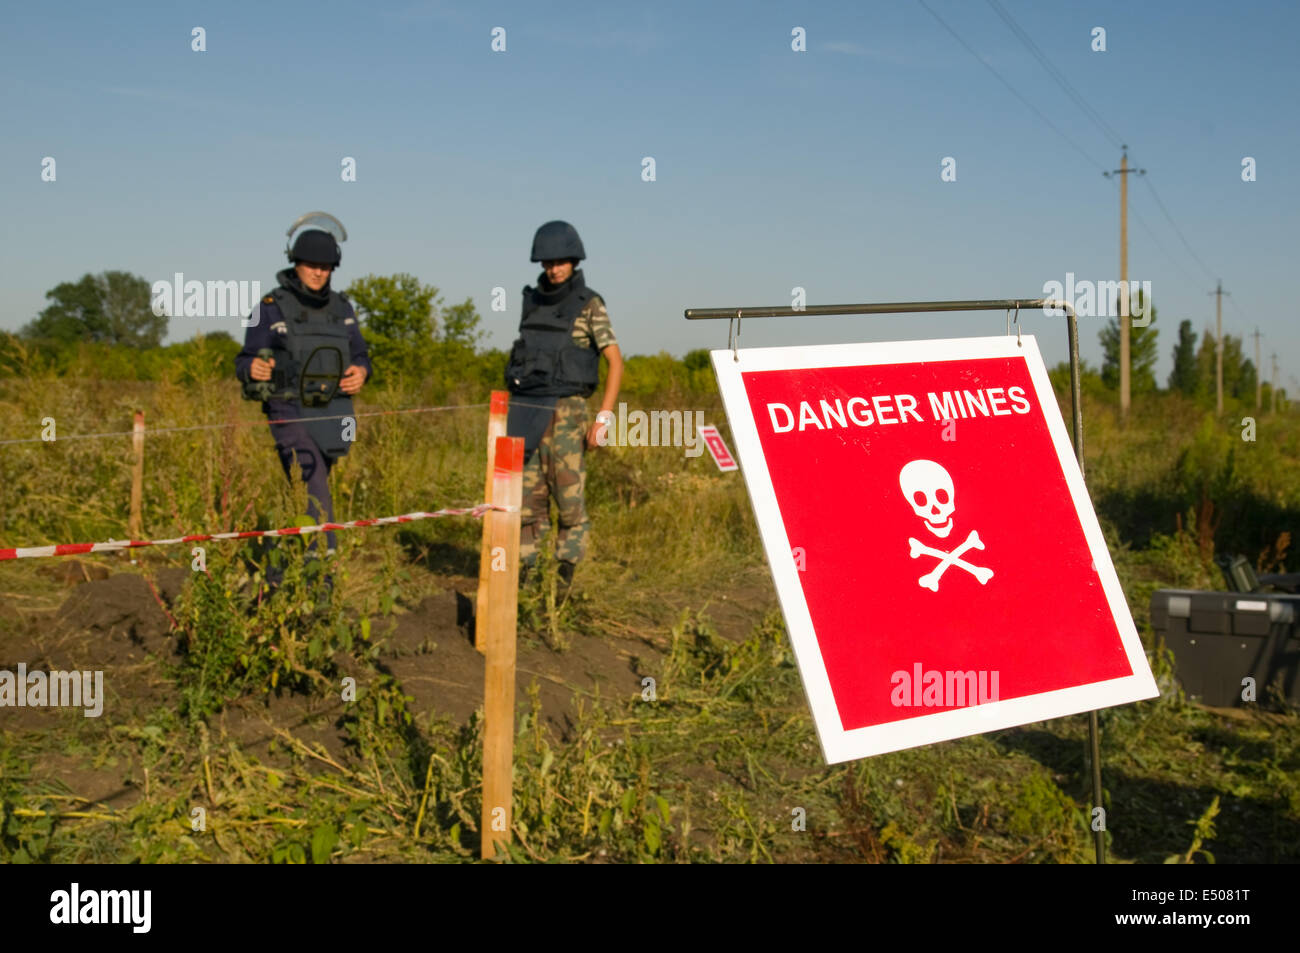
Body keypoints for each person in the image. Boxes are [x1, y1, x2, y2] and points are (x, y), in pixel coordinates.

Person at [235, 223, 371, 574]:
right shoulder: (269, 306)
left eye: (325, 267)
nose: (317, 272)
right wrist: (253, 367)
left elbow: (361, 355)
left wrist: (361, 372)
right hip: (287, 408)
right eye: (311, 264)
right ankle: (322, 569)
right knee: (311, 477)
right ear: (295, 263)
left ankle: (284, 560)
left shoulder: (343, 307)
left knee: (315, 484)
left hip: (334, 411)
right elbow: (244, 357)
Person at [505, 220, 623, 595]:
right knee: (526, 504)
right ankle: (524, 585)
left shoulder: (588, 304)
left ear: (573, 260)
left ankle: (561, 588)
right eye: (547, 262)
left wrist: (603, 420)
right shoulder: (532, 303)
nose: (554, 269)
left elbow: (616, 362)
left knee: (570, 502)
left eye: (561, 261)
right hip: (527, 410)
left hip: (569, 414)